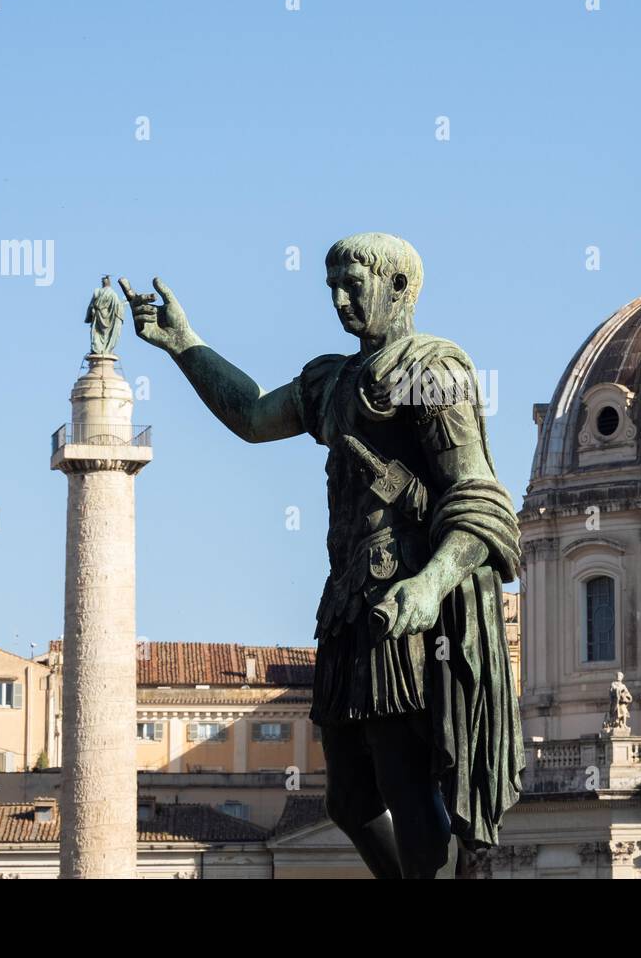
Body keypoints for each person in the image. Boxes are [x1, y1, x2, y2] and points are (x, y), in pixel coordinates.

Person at [120, 233, 522, 879]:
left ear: (398, 286)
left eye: (351, 284)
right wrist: (184, 347)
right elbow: (252, 416)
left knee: (404, 781)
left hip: (406, 603)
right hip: (349, 603)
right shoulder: (332, 379)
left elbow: (477, 495)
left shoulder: (431, 371)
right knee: (348, 797)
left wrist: (428, 585)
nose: (338, 300)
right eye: (330, 286)